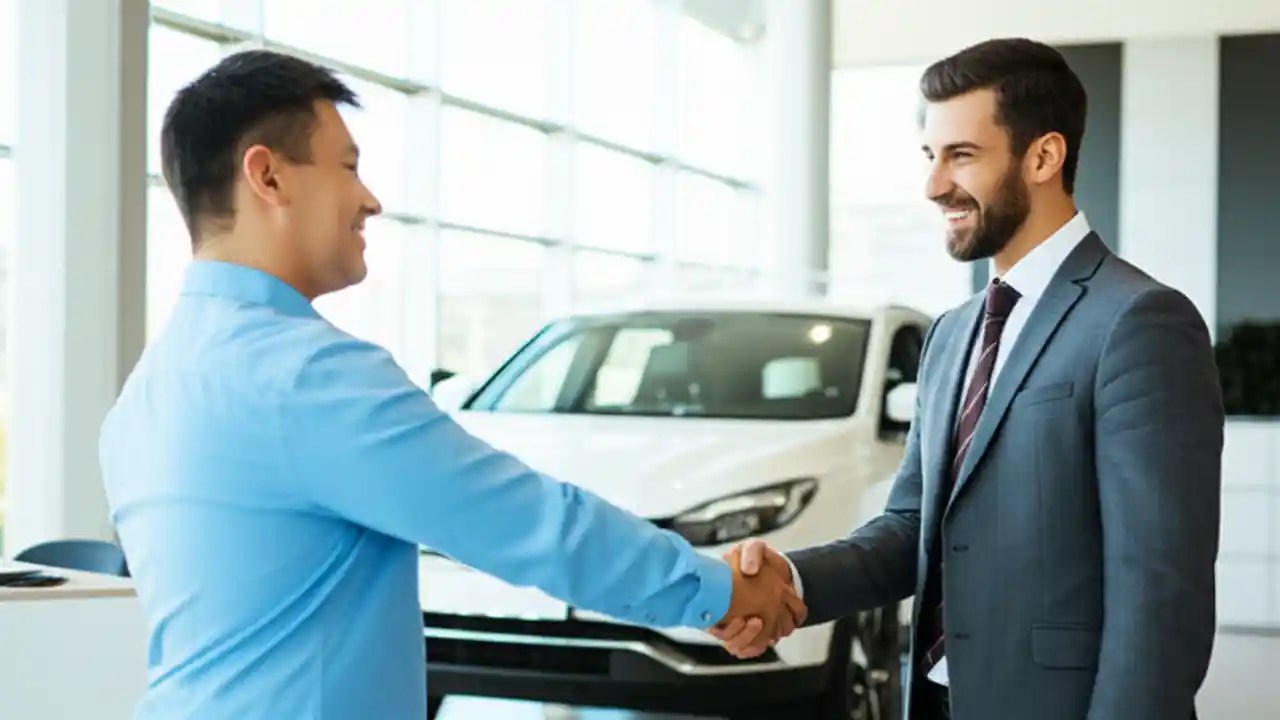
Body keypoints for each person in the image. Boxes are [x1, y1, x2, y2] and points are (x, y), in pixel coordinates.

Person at [98, 50, 804, 719]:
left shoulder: (146, 394)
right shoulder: (307, 376)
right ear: (269, 176)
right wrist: (716, 591)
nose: (369, 199)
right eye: (347, 167)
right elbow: (530, 523)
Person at [710, 37, 1223, 719]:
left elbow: (1160, 593)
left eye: (962, 155)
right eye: (931, 155)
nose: (933, 185)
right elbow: (908, 529)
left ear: (1043, 156)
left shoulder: (1139, 322)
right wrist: (791, 578)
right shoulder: (952, 334)